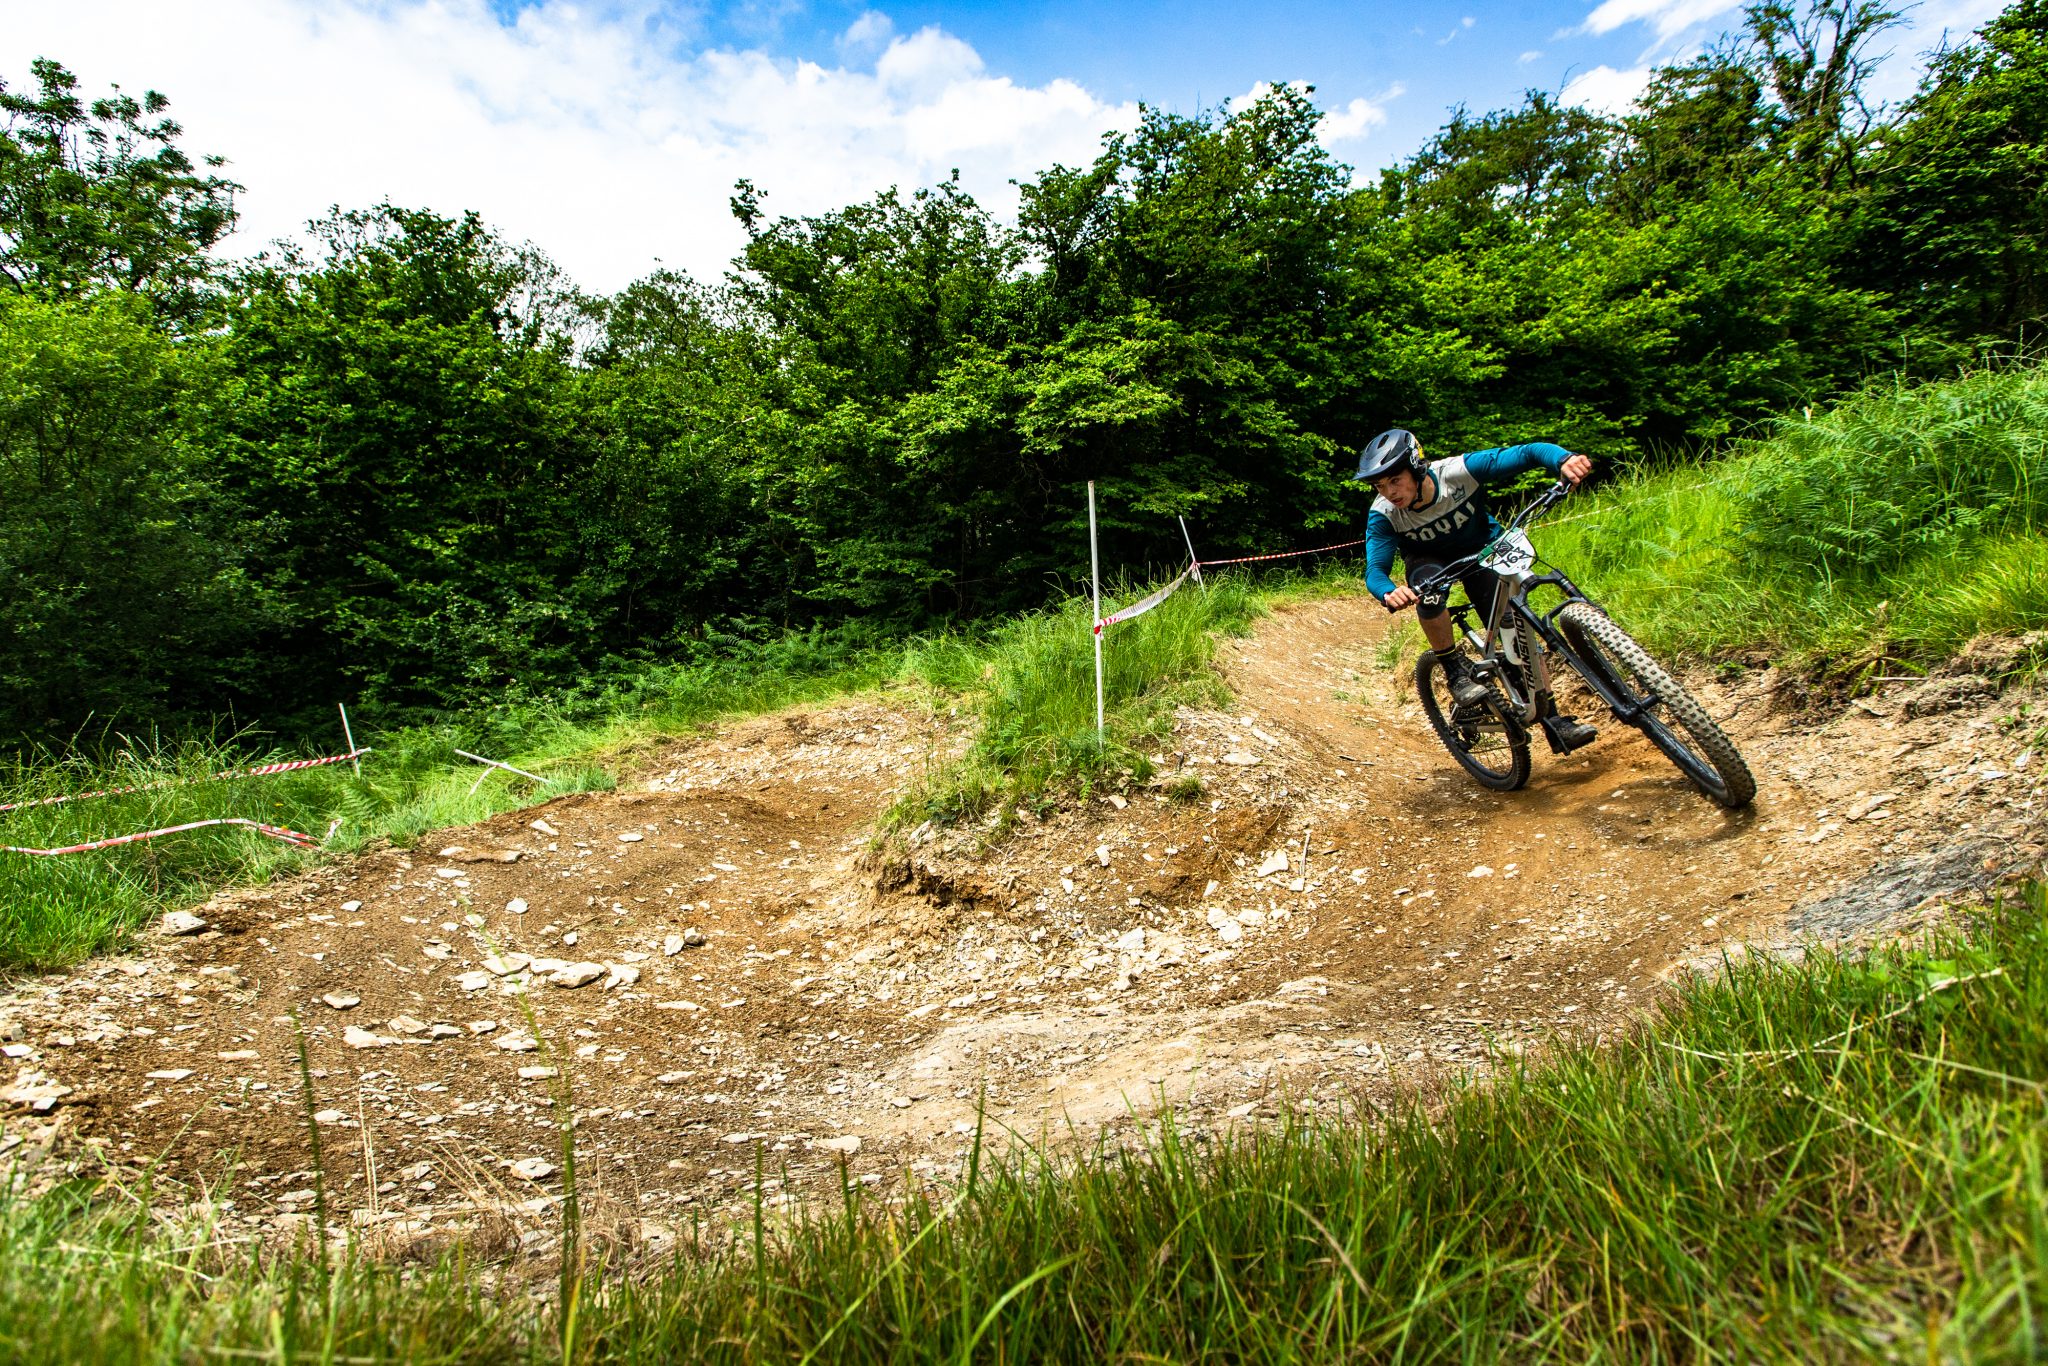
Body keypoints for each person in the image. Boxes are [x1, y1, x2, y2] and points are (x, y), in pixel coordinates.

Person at [1356, 428, 1597, 743]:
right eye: (1380, 485)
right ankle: (1454, 670)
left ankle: (1553, 721)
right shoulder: (1383, 514)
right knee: (1428, 592)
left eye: (1395, 480)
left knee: (1517, 631)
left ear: (1416, 467)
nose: (1389, 492)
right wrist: (1388, 590)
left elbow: (1527, 452)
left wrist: (1563, 460)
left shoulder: (1458, 472)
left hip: (1483, 550)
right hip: (1430, 561)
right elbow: (1375, 570)